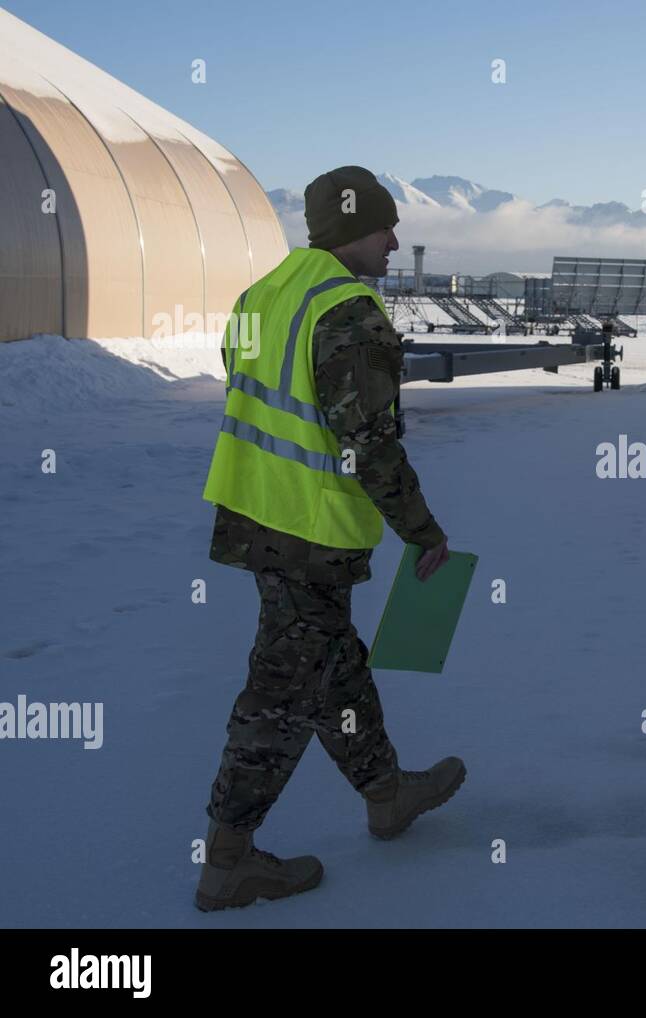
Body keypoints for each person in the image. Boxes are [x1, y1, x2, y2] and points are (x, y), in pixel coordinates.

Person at [194, 165, 466, 912]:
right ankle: (228, 861)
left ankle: (386, 792)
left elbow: (237, 375)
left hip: (255, 513)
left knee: (330, 664)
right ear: (354, 233)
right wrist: (421, 532)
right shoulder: (348, 312)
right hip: (310, 530)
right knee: (280, 692)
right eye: (386, 228)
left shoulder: (266, 292)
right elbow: (368, 445)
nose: (395, 241)